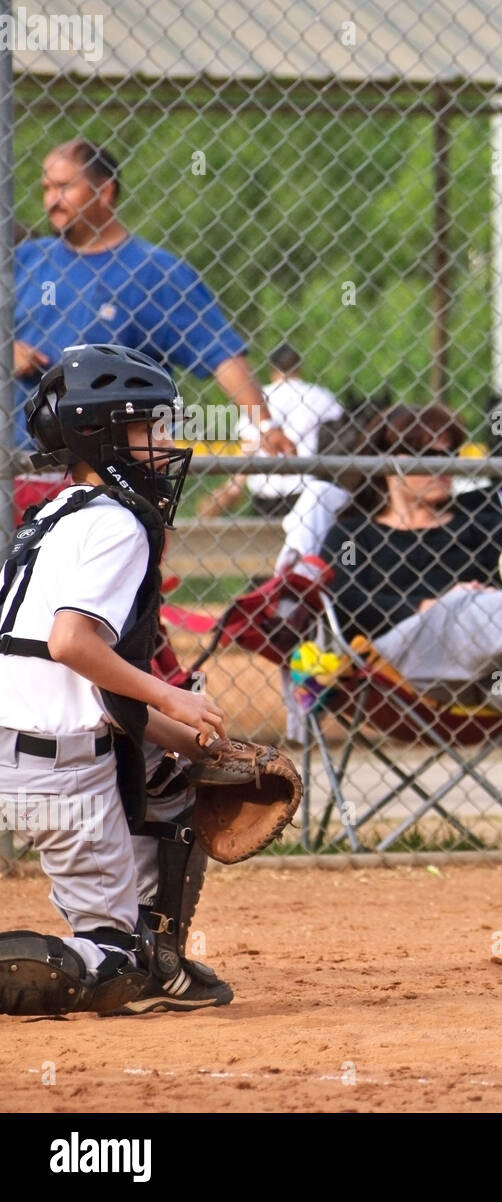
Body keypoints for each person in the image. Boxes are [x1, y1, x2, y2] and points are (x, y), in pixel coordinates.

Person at [0, 344, 233, 1017]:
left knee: (165, 767)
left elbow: (91, 686)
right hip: (57, 769)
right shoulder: (119, 525)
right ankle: (142, 961)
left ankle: (155, 959)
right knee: (111, 959)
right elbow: (71, 643)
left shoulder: (51, 514)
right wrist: (172, 694)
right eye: (148, 428)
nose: (165, 444)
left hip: (24, 744)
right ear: (99, 435)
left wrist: (176, 733)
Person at [12, 139, 293, 457]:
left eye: (63, 187)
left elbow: (221, 354)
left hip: (109, 467)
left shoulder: (154, 272)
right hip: (17, 463)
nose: (51, 200)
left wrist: (266, 426)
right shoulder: (26, 260)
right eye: (46, 188)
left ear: (104, 192)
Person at [320, 404, 502, 715]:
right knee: (471, 605)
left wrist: (486, 595)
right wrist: (429, 606)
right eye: (430, 456)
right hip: (413, 662)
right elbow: (346, 603)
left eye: (450, 455)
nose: (444, 467)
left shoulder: (479, 520)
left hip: (490, 674)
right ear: (391, 461)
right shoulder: (354, 534)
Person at [199, 343, 344, 518]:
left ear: (272, 369)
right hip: (306, 486)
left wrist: (235, 485)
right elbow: (339, 435)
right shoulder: (321, 396)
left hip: (265, 491)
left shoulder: (256, 399)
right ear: (300, 367)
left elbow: (250, 445)